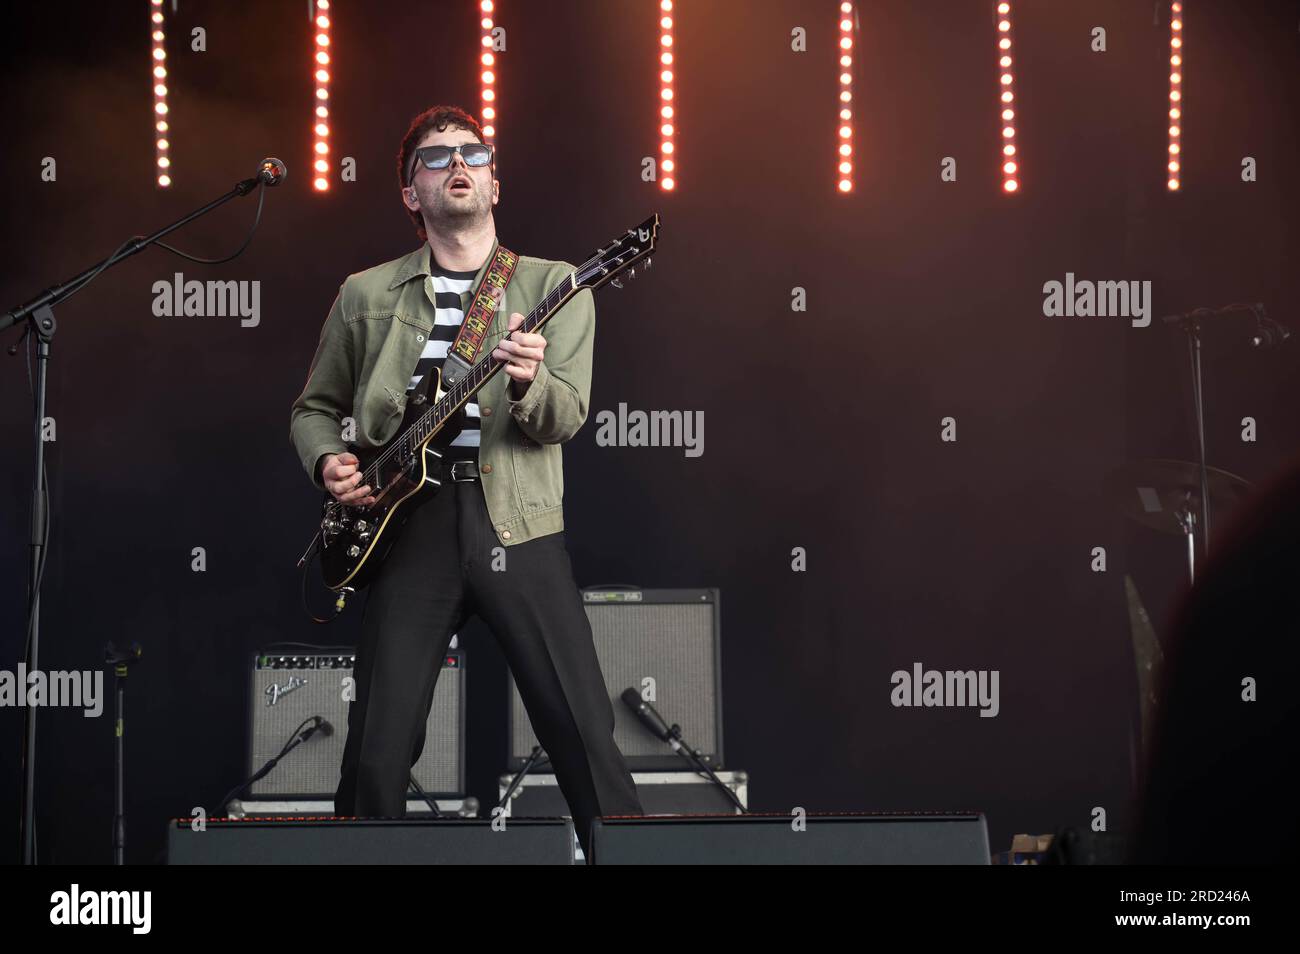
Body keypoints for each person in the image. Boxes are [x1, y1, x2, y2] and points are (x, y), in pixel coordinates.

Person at [289, 105, 643, 860]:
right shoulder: (367, 294)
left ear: (494, 181)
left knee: (585, 738)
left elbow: (564, 416)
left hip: (517, 521)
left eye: (473, 151)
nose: (458, 161)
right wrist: (329, 461)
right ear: (411, 194)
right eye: (435, 155)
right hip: (408, 527)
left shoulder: (555, 286)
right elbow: (315, 409)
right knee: (376, 754)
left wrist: (525, 383)